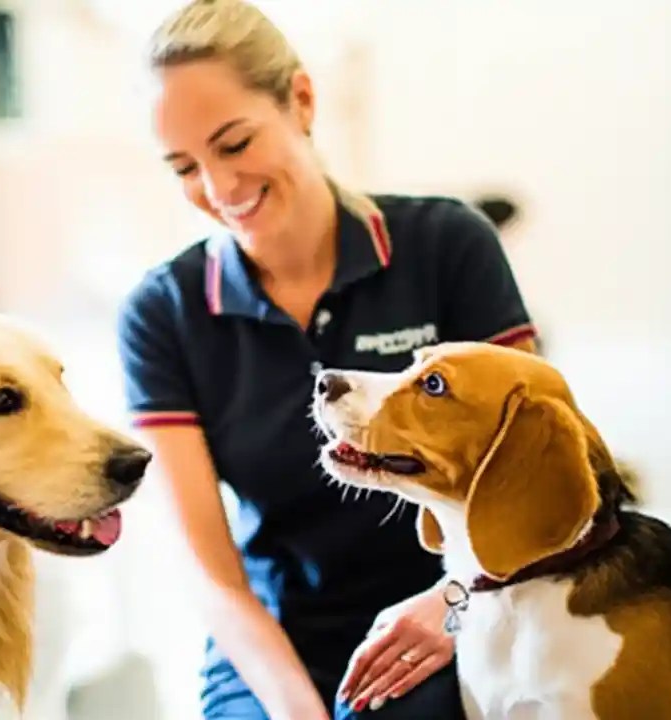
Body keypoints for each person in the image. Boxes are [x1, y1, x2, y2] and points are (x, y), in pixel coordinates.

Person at [114, 1, 538, 718]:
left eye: (235, 143)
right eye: (185, 165)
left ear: (301, 101)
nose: (218, 188)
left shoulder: (447, 247)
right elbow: (210, 572)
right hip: (271, 642)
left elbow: (536, 476)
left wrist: (454, 603)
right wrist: (294, 707)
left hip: (450, 609)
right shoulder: (164, 314)